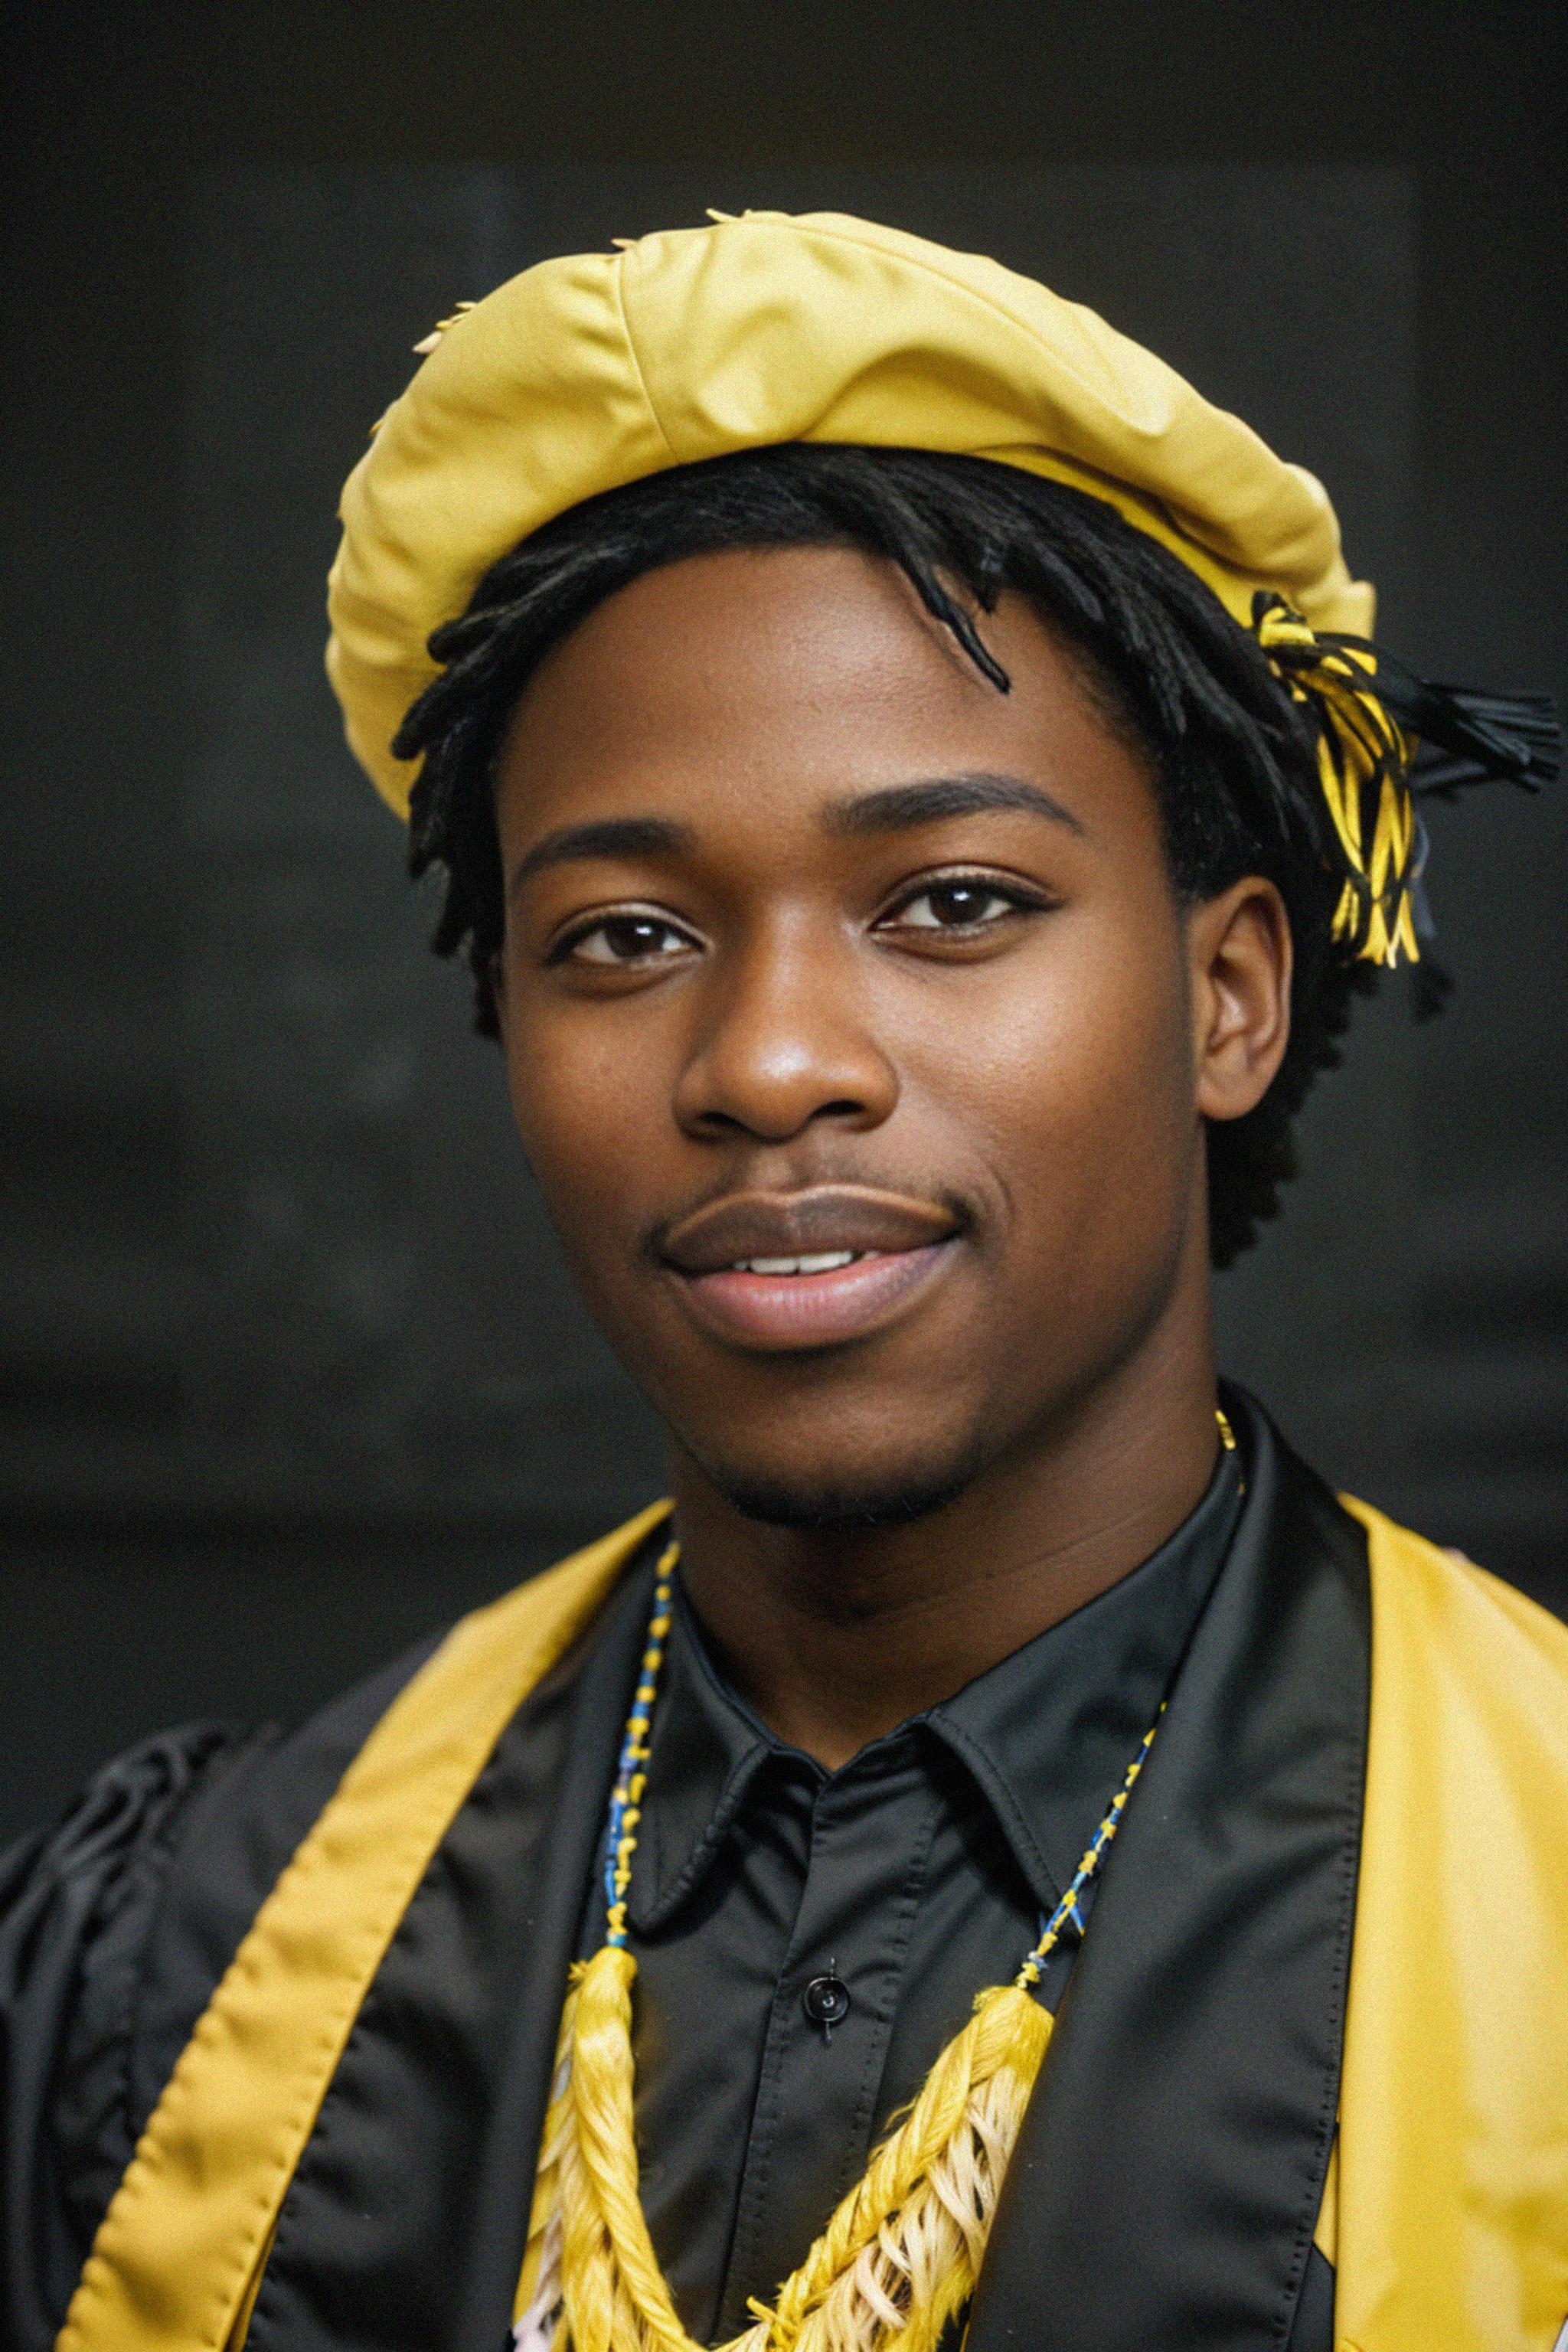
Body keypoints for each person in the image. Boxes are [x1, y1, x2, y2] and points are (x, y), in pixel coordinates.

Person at [3, 210, 1565, 2352]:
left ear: (1227, 999)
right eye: (625, 938)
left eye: (948, 899)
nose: (763, 1064)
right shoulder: (195, 1957)